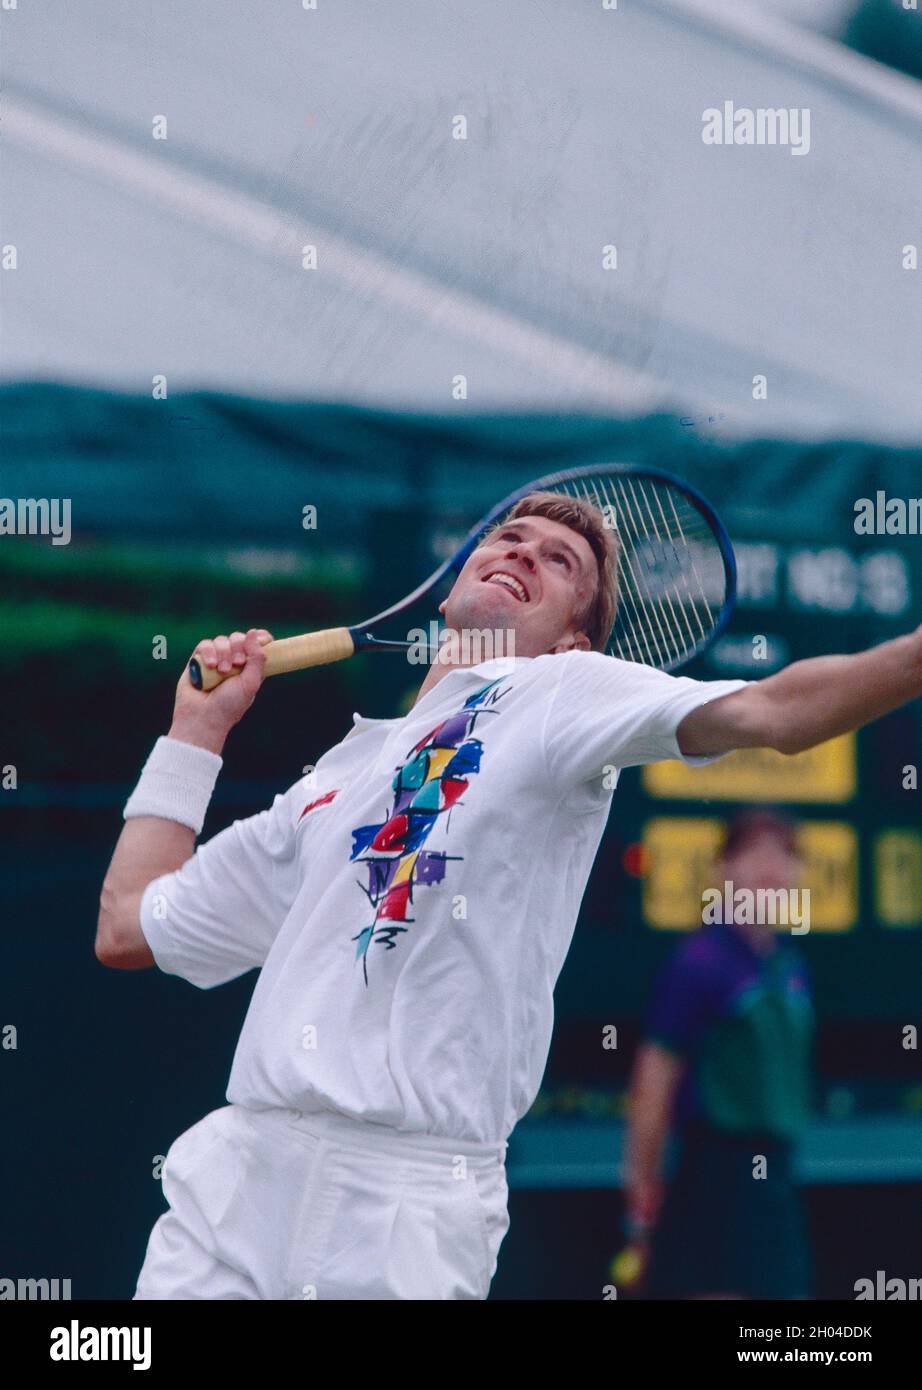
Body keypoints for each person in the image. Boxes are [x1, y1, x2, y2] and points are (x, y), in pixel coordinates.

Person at [96, 490, 922, 1299]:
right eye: (507, 538)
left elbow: (778, 712)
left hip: (407, 1209)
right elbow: (130, 926)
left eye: (559, 560)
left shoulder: (565, 696)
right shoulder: (328, 785)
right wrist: (194, 734)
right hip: (239, 1178)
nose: (523, 551)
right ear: (457, 581)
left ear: (573, 641)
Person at [624, 809, 815, 1299]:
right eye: (754, 853)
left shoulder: (789, 967)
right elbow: (655, 1080)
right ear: (723, 870)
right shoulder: (699, 963)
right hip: (714, 1177)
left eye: (784, 854)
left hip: (777, 1178)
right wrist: (642, 1195)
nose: (771, 869)